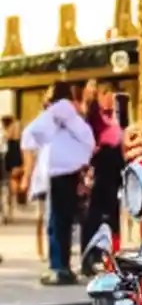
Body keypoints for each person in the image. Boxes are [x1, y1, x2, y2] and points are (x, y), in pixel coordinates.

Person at [20, 82, 95, 285]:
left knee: (56, 223)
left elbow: (31, 134)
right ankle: (64, 267)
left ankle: (58, 268)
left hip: (58, 175)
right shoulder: (73, 118)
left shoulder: (56, 113)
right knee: (65, 223)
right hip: (70, 174)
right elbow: (89, 141)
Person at [81, 88, 125, 261]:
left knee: (112, 214)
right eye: (106, 94)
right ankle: (90, 254)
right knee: (95, 214)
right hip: (101, 170)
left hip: (114, 171)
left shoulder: (112, 118)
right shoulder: (94, 119)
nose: (110, 99)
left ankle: (110, 252)